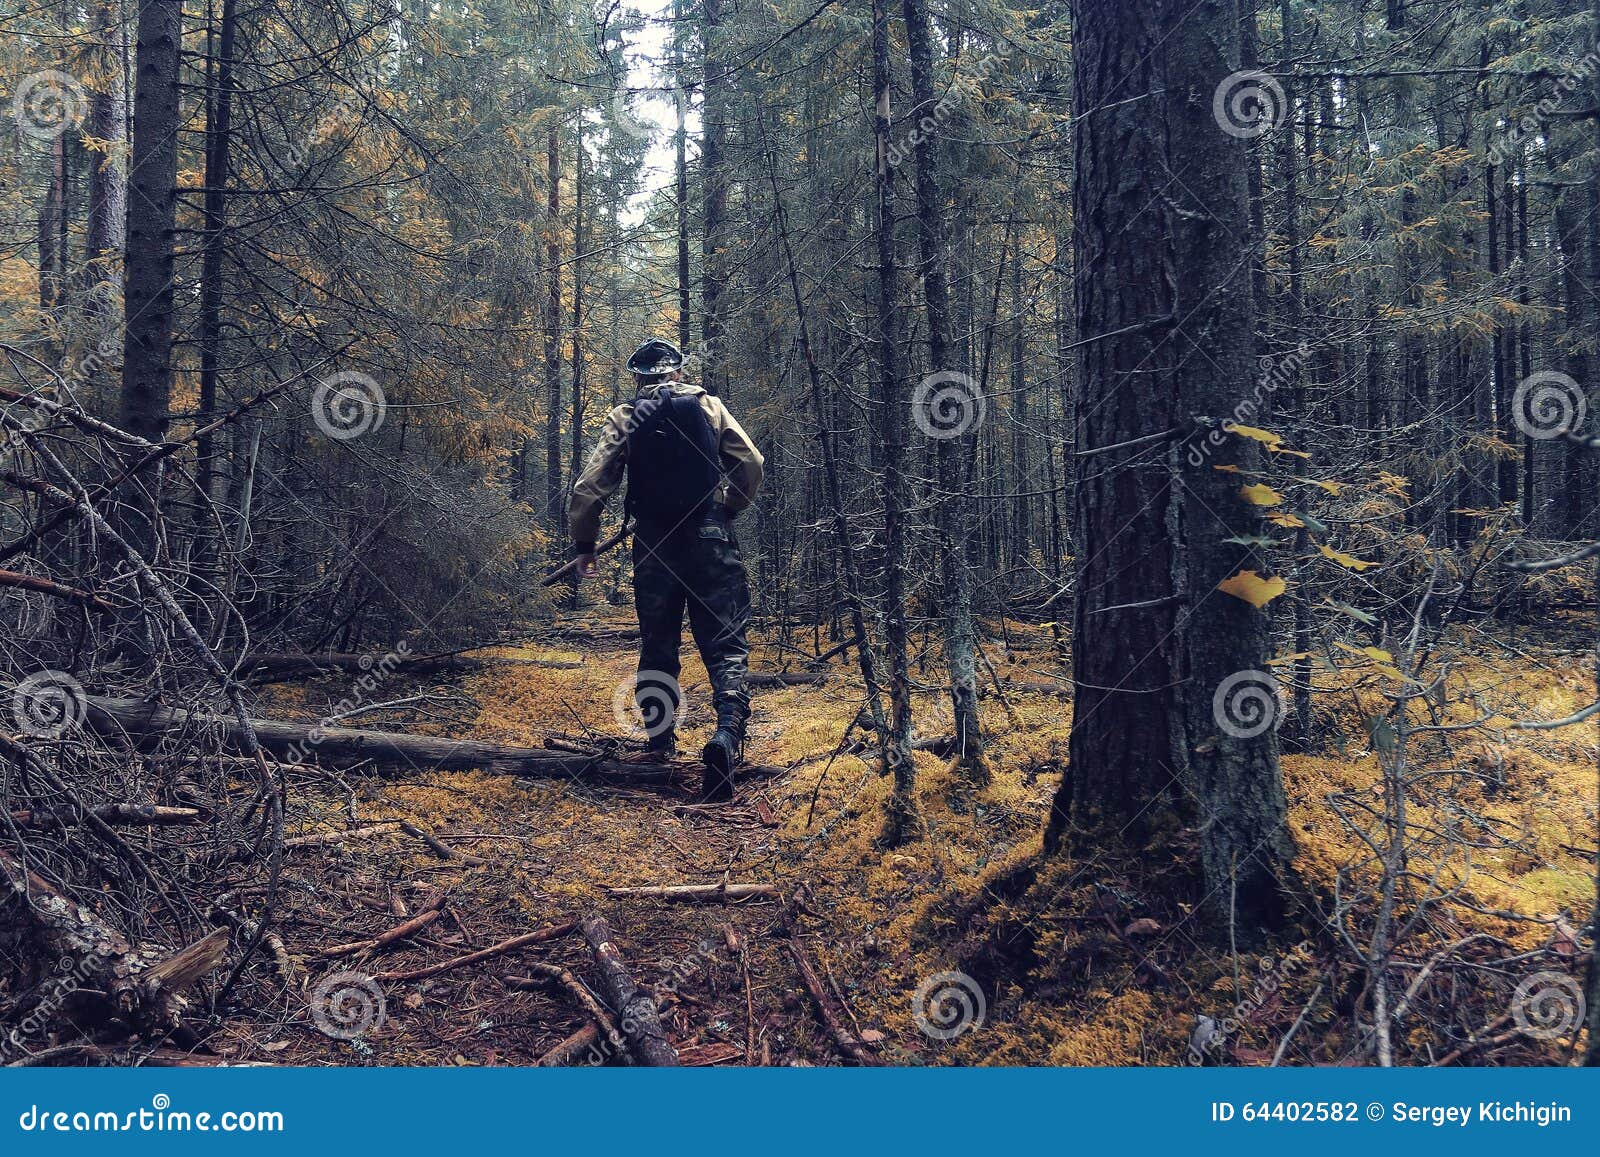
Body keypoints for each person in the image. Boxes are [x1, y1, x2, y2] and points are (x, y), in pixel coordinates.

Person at [568, 338, 765, 801]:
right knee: (725, 643)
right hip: (709, 537)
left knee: (659, 643)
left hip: (654, 543)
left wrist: (585, 545)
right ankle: (727, 736)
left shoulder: (626, 416)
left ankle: (659, 746)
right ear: (676, 373)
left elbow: (589, 487)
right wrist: (728, 509)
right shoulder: (709, 406)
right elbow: (751, 463)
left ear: (638, 378)